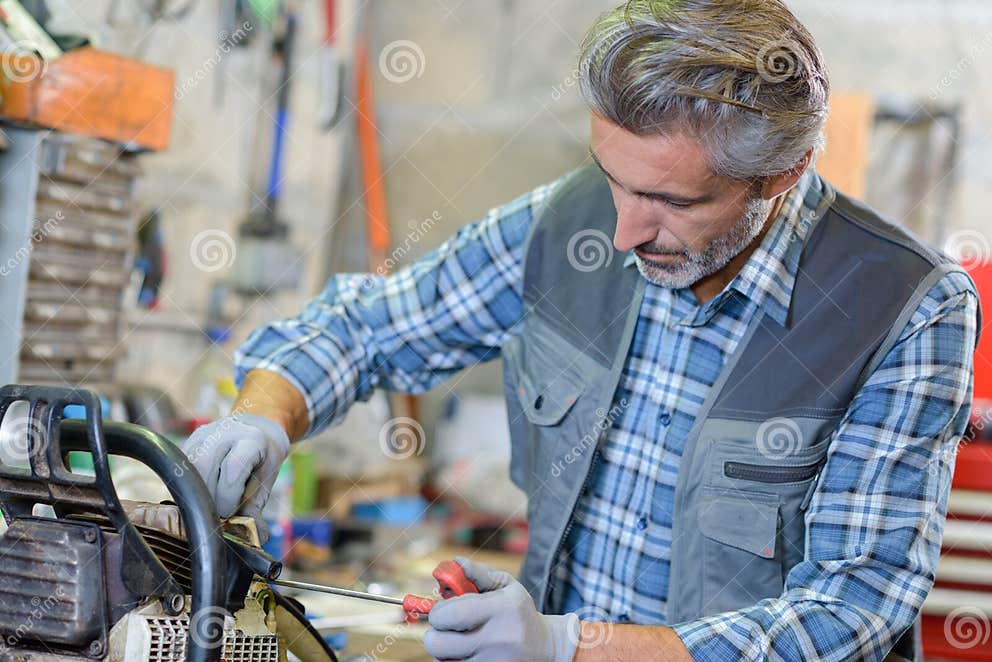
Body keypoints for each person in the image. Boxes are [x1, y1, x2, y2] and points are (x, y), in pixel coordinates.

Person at [182, 1, 981, 659]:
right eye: (613, 180)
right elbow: (364, 329)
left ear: (783, 174)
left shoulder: (906, 307)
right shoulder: (569, 222)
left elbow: (851, 605)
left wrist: (569, 645)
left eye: (673, 202)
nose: (625, 232)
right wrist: (263, 417)